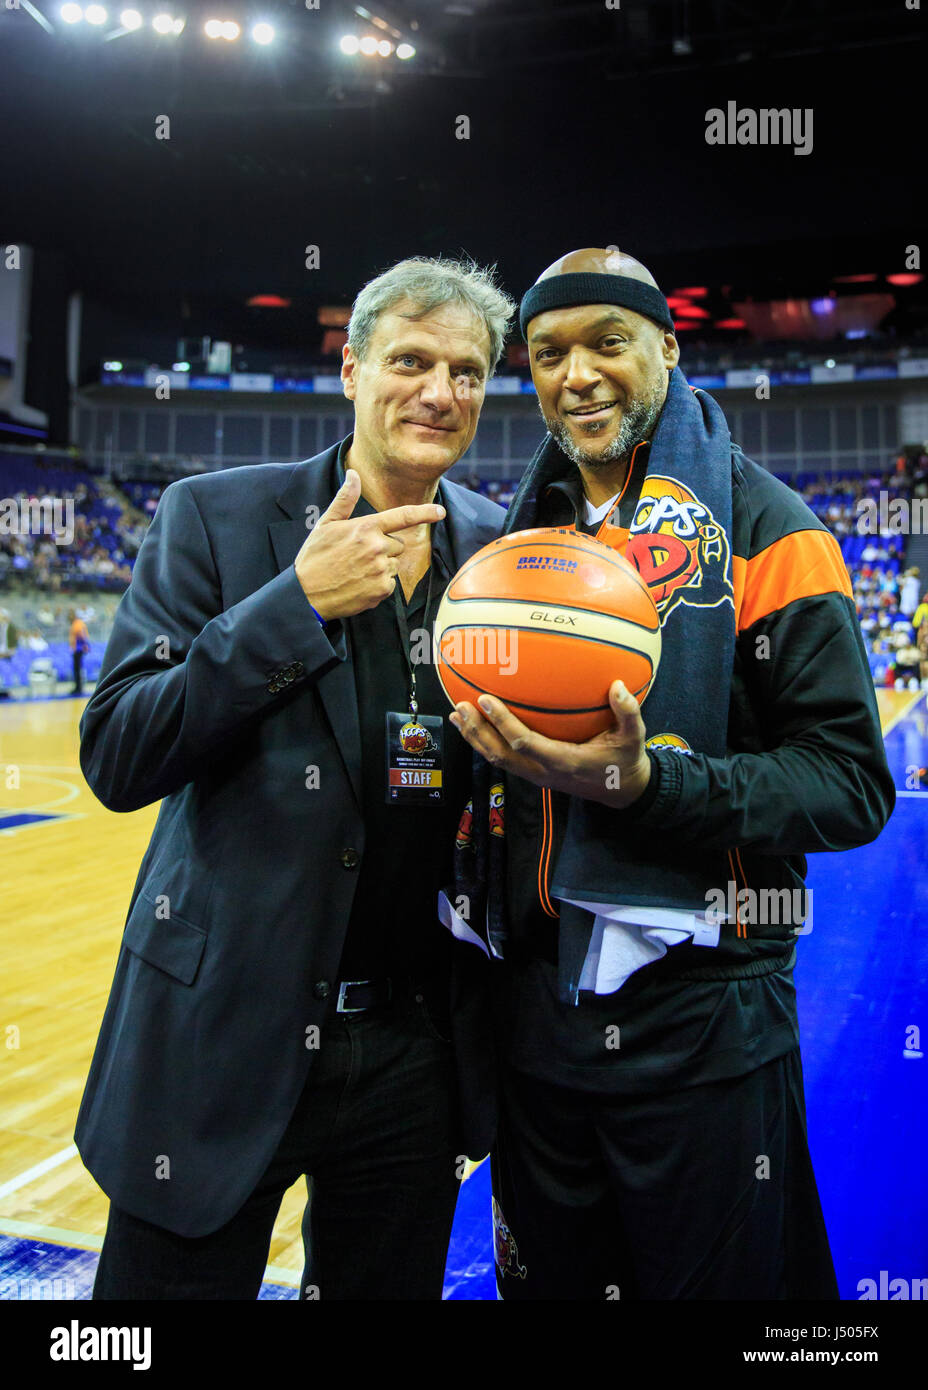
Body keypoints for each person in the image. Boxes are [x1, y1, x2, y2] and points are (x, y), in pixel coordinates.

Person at [449, 247, 895, 1300]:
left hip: (706, 1013)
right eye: (548, 353)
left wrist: (650, 786)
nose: (578, 375)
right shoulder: (517, 547)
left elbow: (847, 784)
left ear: (667, 346)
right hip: (537, 1015)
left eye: (608, 342)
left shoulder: (770, 531)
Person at [75, 256, 515, 1300]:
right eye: (410, 360)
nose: (439, 391)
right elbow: (120, 752)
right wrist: (294, 604)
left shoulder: (505, 556)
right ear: (352, 367)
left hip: (413, 1051)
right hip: (225, 1027)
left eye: (466, 370)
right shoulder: (215, 518)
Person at [68, 609, 89, 694]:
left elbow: (81, 634)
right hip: (77, 649)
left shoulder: (77, 624)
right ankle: (78, 687)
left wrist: (85, 644)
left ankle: (78, 688)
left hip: (78, 649)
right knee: (77, 669)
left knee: (77, 669)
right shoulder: (78, 623)